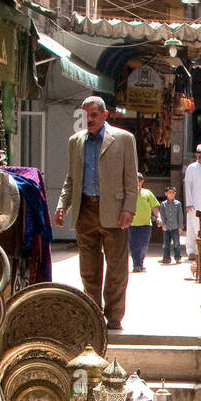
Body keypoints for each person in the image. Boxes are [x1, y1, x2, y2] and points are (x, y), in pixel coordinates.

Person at [55, 96, 138, 332]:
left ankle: (113, 316)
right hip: (86, 211)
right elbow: (71, 179)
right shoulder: (76, 142)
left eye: (93, 115)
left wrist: (129, 209)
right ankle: (92, 313)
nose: (89, 120)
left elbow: (131, 179)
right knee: (89, 269)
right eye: (86, 115)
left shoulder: (123, 139)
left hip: (114, 211)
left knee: (117, 267)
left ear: (104, 115)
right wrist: (63, 205)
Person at [128, 172, 162, 273]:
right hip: (132, 224)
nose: (137, 182)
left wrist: (159, 217)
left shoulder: (148, 193)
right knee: (134, 245)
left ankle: (140, 262)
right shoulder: (129, 194)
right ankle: (136, 264)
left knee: (144, 244)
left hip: (146, 224)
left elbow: (154, 207)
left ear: (142, 181)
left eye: (139, 180)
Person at [158, 187, 184, 264]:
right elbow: (162, 215)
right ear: (166, 194)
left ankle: (177, 257)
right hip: (167, 227)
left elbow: (180, 215)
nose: (171, 194)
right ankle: (166, 258)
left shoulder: (178, 204)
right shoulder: (163, 204)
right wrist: (163, 224)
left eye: (173, 192)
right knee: (166, 244)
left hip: (175, 227)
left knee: (176, 243)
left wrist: (180, 226)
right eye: (169, 192)